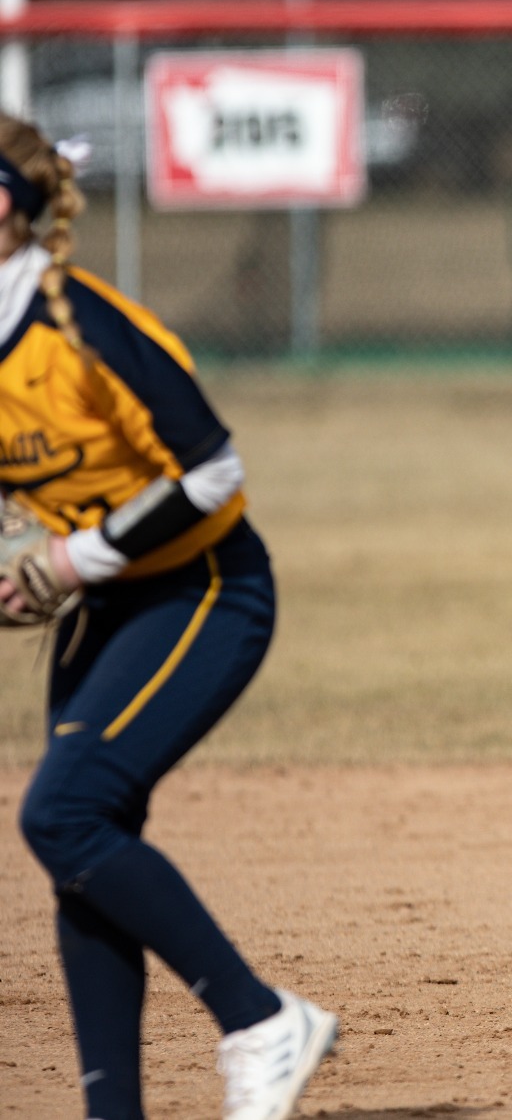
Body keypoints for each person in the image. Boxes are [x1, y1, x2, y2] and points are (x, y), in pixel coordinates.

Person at [0, 116, 337, 1120]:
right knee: (86, 850)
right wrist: (27, 575)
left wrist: (72, 556)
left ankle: (260, 1018)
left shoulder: (79, 326)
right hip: (103, 610)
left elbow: (214, 470)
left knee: (59, 813)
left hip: (203, 592)